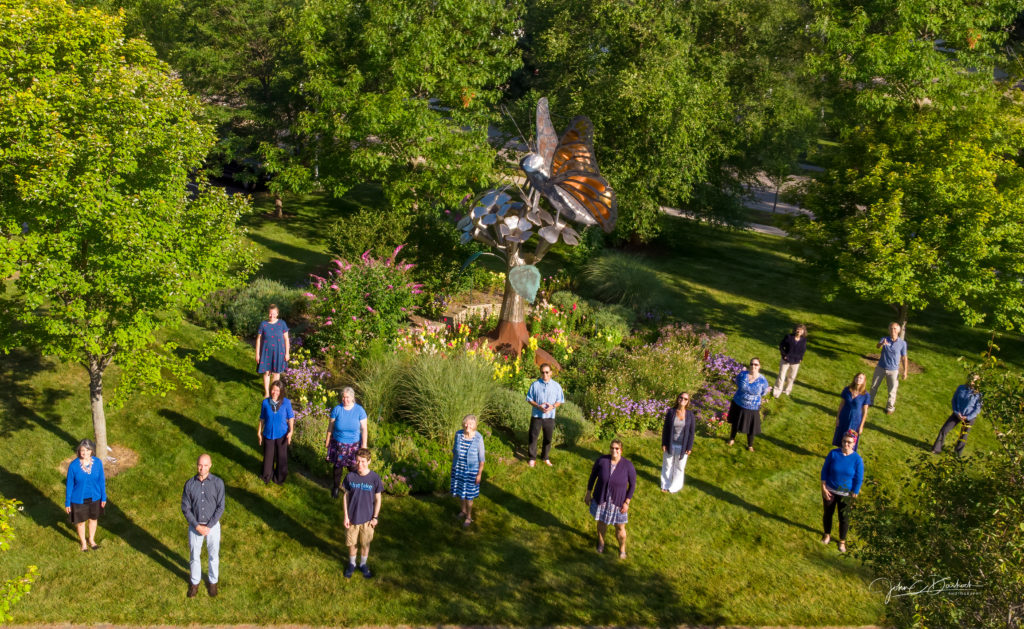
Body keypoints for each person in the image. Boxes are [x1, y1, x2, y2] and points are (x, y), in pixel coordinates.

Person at [181, 453, 225, 598]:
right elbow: (185, 508)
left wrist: (209, 526)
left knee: (213, 555)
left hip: (213, 527)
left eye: (205, 465)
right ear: (197, 465)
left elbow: (221, 507)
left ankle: (213, 582)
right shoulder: (189, 484)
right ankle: (195, 583)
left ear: (210, 465)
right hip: (195, 526)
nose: (202, 468)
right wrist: (197, 526)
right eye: (200, 465)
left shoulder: (218, 483)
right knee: (194, 556)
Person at [584, 439, 636, 559]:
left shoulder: (628, 466)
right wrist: (588, 492)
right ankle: (601, 543)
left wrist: (627, 502)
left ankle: (622, 549)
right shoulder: (602, 461)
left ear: (621, 450)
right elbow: (593, 476)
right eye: (612, 448)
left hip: (618, 502)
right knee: (601, 523)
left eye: (617, 448)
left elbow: (632, 485)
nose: (614, 450)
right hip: (602, 499)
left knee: (620, 527)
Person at [820, 430, 864, 553]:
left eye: (849, 442)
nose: (846, 444)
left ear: (854, 444)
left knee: (844, 518)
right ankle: (827, 535)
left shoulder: (857, 459)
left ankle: (842, 541)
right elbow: (824, 471)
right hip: (830, 491)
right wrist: (823, 487)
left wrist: (854, 493)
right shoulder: (833, 454)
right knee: (828, 514)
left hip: (846, 494)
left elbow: (858, 478)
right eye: (844, 441)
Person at [342, 448, 383, 579]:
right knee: (352, 543)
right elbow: (345, 496)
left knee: (365, 543)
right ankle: (352, 564)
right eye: (358, 461)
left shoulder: (374, 478)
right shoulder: (350, 476)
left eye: (363, 461)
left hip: (368, 519)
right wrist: (346, 516)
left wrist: (375, 517)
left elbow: (378, 499)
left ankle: (363, 564)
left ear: (369, 461)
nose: (360, 464)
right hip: (352, 519)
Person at [326, 387, 368, 499]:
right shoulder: (337, 409)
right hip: (338, 444)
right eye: (343, 397)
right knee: (337, 468)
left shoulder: (359, 410)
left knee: (354, 468)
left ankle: (355, 489)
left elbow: (364, 428)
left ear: (352, 397)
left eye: (347, 397)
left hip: (354, 445)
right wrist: (328, 440)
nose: (345, 400)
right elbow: (330, 426)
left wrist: (364, 445)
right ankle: (336, 487)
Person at [64, 439, 106, 552]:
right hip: (78, 499)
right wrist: (67, 502)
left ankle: (91, 540)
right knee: (81, 522)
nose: (85, 453)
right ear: (79, 451)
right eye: (82, 450)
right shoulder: (73, 466)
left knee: (93, 519)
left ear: (92, 451)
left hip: (95, 497)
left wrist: (103, 497)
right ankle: (83, 543)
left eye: (88, 450)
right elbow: (69, 485)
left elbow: (101, 481)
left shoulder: (98, 463)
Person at [932, 374, 983, 457]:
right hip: (957, 414)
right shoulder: (961, 388)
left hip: (969, 418)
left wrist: (968, 417)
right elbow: (954, 400)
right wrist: (956, 412)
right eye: (971, 379)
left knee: (963, 436)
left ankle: (957, 454)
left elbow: (977, 409)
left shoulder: (979, 394)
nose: (972, 381)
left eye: (974, 380)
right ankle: (936, 449)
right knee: (944, 430)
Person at [727, 358, 771, 452]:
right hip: (738, 403)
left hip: (752, 407)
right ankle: (732, 439)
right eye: (751, 364)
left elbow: (763, 392)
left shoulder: (763, 381)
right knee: (735, 423)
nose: (753, 366)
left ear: (759, 366)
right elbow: (737, 382)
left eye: (756, 364)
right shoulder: (742, 375)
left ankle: (750, 445)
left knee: (751, 428)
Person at [450, 414, 486, 527]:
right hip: (458, 468)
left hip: (471, 471)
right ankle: (463, 510)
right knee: (460, 491)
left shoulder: (478, 438)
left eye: (470, 424)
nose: (467, 425)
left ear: (475, 425)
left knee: (469, 495)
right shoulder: (458, 434)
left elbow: (482, 459)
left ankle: (469, 517)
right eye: (466, 423)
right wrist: (453, 466)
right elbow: (454, 451)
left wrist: (479, 474)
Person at [526, 363, 564, 467]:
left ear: (551, 372)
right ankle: (532, 458)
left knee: (548, 438)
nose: (545, 374)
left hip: (549, 417)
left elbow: (560, 400)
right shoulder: (535, 385)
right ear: (540, 373)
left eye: (547, 372)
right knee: (533, 437)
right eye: (542, 372)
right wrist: (538, 406)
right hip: (537, 416)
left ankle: (545, 457)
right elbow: (529, 399)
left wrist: (553, 406)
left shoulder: (556, 386)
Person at [258, 381, 294, 484]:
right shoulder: (265, 402)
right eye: (273, 390)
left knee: (281, 458)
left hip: (282, 435)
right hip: (268, 434)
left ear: (281, 391)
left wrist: (291, 431)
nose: (274, 392)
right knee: (268, 457)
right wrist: (259, 432)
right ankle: (266, 476)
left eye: (277, 390)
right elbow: (262, 418)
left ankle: (279, 478)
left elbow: (291, 418)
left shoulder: (286, 402)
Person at [869, 322, 908, 415]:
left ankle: (890, 408)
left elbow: (904, 357)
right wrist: (881, 343)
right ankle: (869, 402)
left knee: (892, 390)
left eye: (894, 328)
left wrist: (905, 371)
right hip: (880, 367)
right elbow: (877, 346)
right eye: (891, 328)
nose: (892, 330)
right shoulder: (884, 339)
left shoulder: (902, 343)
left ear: (898, 330)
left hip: (893, 370)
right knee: (874, 386)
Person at [660, 392, 695, 493]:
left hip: (683, 446)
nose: (683, 400)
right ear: (678, 398)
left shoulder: (690, 415)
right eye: (681, 397)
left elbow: (691, 432)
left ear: (688, 401)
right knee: (667, 465)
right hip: (670, 443)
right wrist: (664, 443)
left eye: (685, 399)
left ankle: (675, 487)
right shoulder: (671, 412)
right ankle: (665, 485)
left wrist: (689, 447)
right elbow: (666, 429)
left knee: (679, 467)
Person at [255, 303, 290, 398]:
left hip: (279, 353)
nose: (271, 316)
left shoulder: (282, 324)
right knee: (266, 372)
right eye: (270, 313)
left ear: (277, 314)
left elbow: (286, 339)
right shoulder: (263, 324)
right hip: (266, 352)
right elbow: (258, 339)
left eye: (274, 313)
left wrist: (287, 353)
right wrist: (257, 354)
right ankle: (267, 393)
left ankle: (274, 392)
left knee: (276, 373)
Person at [832, 373, 870, 451]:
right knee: (841, 436)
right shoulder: (847, 390)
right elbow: (841, 405)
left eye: (861, 378)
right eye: (857, 377)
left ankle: (848, 454)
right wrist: (838, 418)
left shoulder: (865, 395)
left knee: (851, 439)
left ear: (864, 381)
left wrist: (861, 426)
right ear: (854, 378)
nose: (858, 379)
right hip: (844, 417)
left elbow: (865, 412)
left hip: (855, 420)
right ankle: (840, 453)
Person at [773, 324, 808, 397]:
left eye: (801, 330)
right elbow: (781, 346)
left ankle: (787, 391)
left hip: (796, 362)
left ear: (804, 332)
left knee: (791, 377)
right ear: (795, 330)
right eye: (798, 329)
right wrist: (784, 355)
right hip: (786, 360)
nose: (799, 331)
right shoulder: (789, 337)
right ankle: (777, 391)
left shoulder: (804, 340)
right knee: (781, 376)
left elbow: (803, 350)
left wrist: (801, 358)